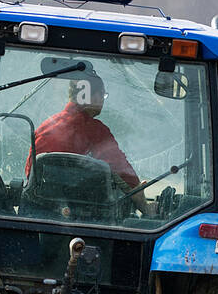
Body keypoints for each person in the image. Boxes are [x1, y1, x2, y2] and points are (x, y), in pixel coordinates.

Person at [28, 73, 154, 215]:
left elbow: (30, 174)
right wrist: (144, 205)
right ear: (90, 97)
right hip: (86, 218)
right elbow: (124, 174)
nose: (102, 100)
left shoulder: (45, 127)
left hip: (40, 213)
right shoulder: (96, 130)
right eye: (102, 95)